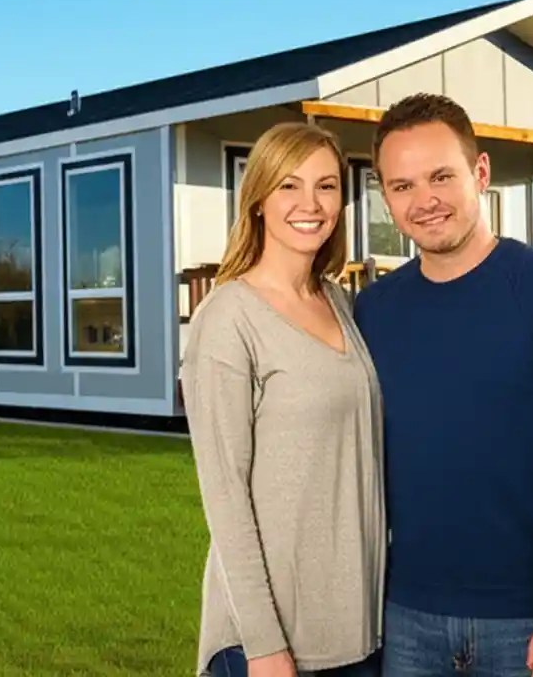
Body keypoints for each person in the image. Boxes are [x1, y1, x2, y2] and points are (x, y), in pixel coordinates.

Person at [351, 93, 533, 676]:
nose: (424, 201)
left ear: (481, 172)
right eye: (402, 185)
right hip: (406, 618)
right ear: (384, 195)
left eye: (441, 176)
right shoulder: (374, 312)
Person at [179, 121, 386, 677]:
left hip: (359, 636)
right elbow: (224, 498)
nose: (310, 203)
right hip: (269, 649)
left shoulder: (341, 304)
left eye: (326, 186)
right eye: (288, 186)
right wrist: (264, 646)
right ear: (258, 202)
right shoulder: (228, 317)